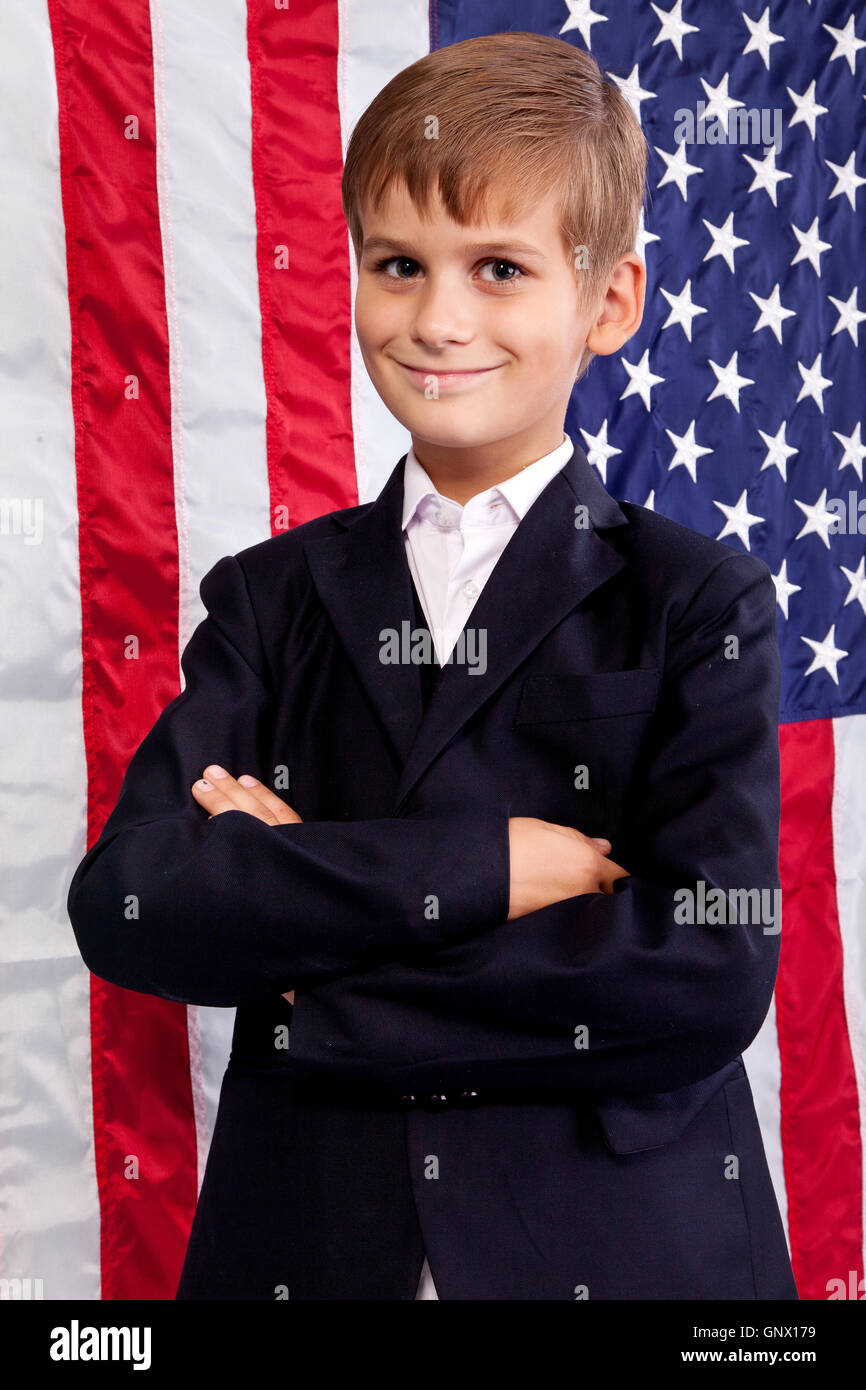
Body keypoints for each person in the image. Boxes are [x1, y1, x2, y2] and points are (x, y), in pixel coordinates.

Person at [67, 31, 798, 1300]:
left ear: (607, 303)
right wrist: (490, 865)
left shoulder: (695, 602)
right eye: (398, 265)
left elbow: (702, 968)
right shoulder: (269, 599)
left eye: (498, 269)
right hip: (309, 1245)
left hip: (623, 1253)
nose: (436, 319)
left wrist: (305, 970)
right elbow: (133, 900)